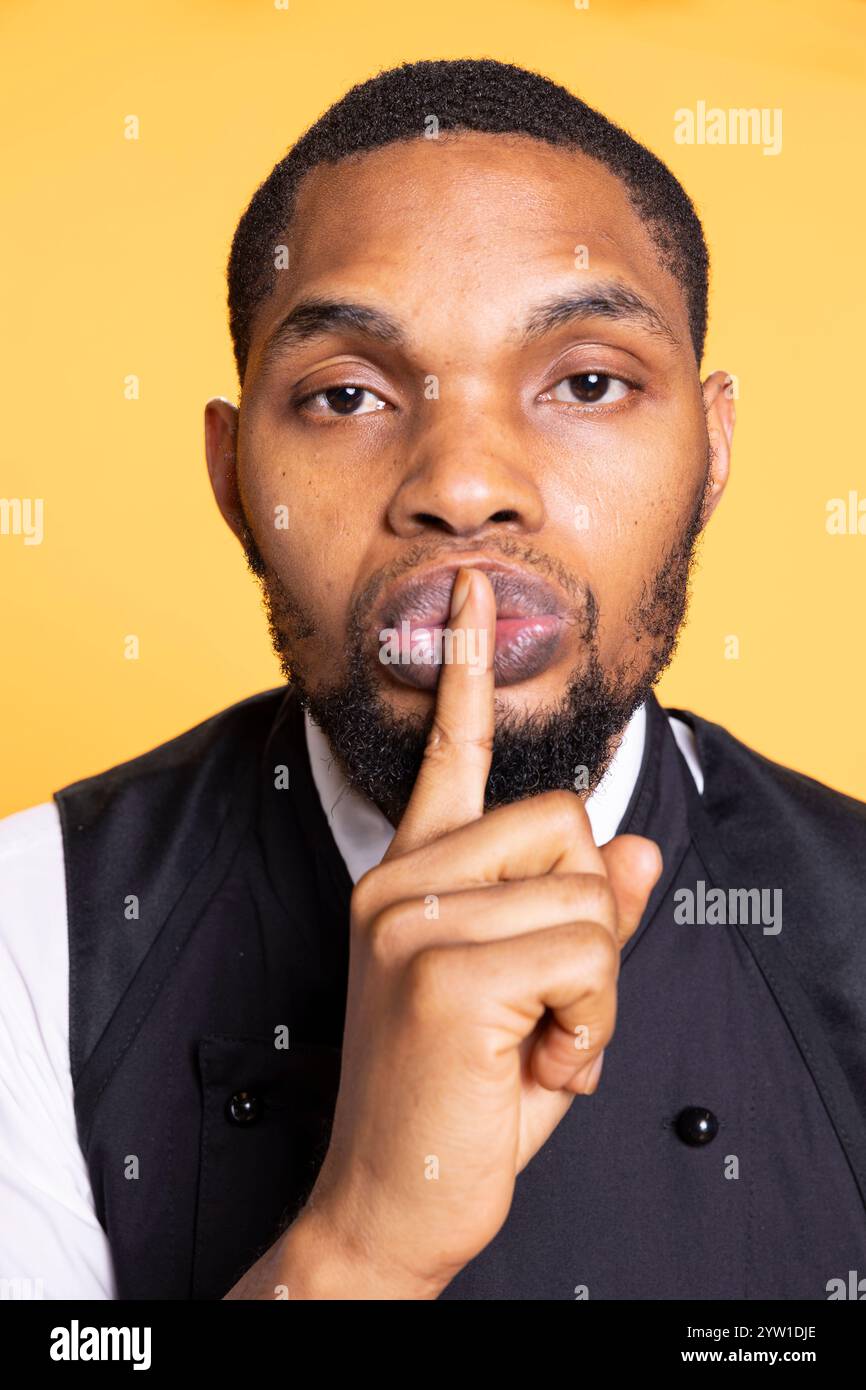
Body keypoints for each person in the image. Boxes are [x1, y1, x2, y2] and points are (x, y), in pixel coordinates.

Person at [2, 58, 865, 1302]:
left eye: (585, 382)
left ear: (711, 449)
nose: (463, 488)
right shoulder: (29, 937)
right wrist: (360, 1243)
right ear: (236, 476)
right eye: (347, 395)